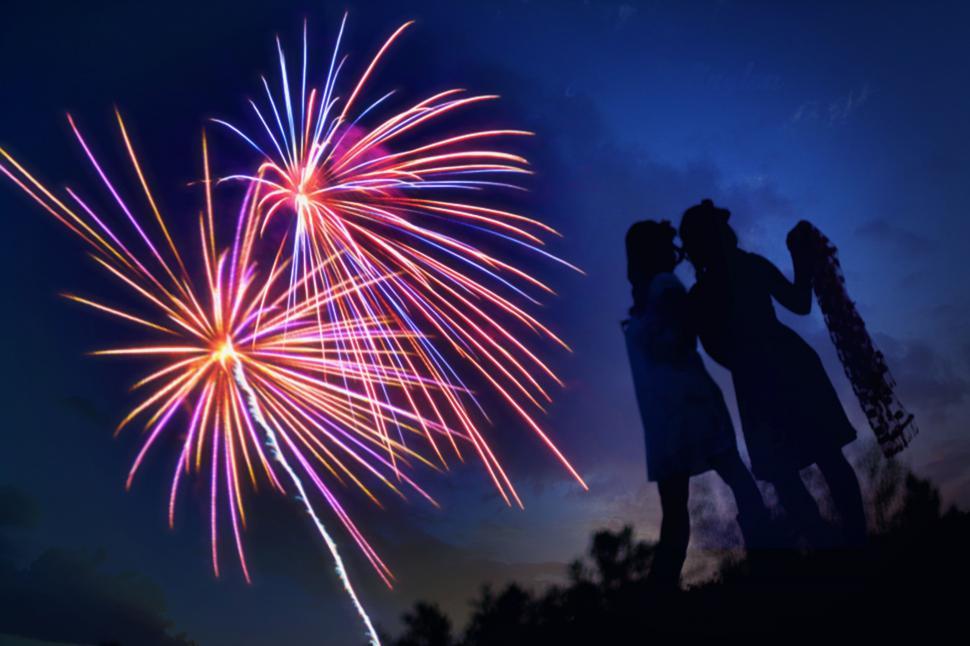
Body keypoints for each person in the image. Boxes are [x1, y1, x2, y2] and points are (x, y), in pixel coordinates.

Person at [679, 199, 867, 548]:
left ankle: (832, 545)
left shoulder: (701, 294)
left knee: (788, 473)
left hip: (757, 379)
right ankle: (854, 542)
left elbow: (712, 347)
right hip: (788, 364)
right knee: (821, 457)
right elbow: (799, 301)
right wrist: (800, 259)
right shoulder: (747, 267)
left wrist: (744, 361)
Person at [622, 220, 770, 589]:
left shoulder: (640, 305)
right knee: (740, 480)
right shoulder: (666, 286)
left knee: (674, 516)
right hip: (692, 403)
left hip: (662, 419)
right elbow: (689, 329)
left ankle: (661, 596)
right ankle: (770, 563)